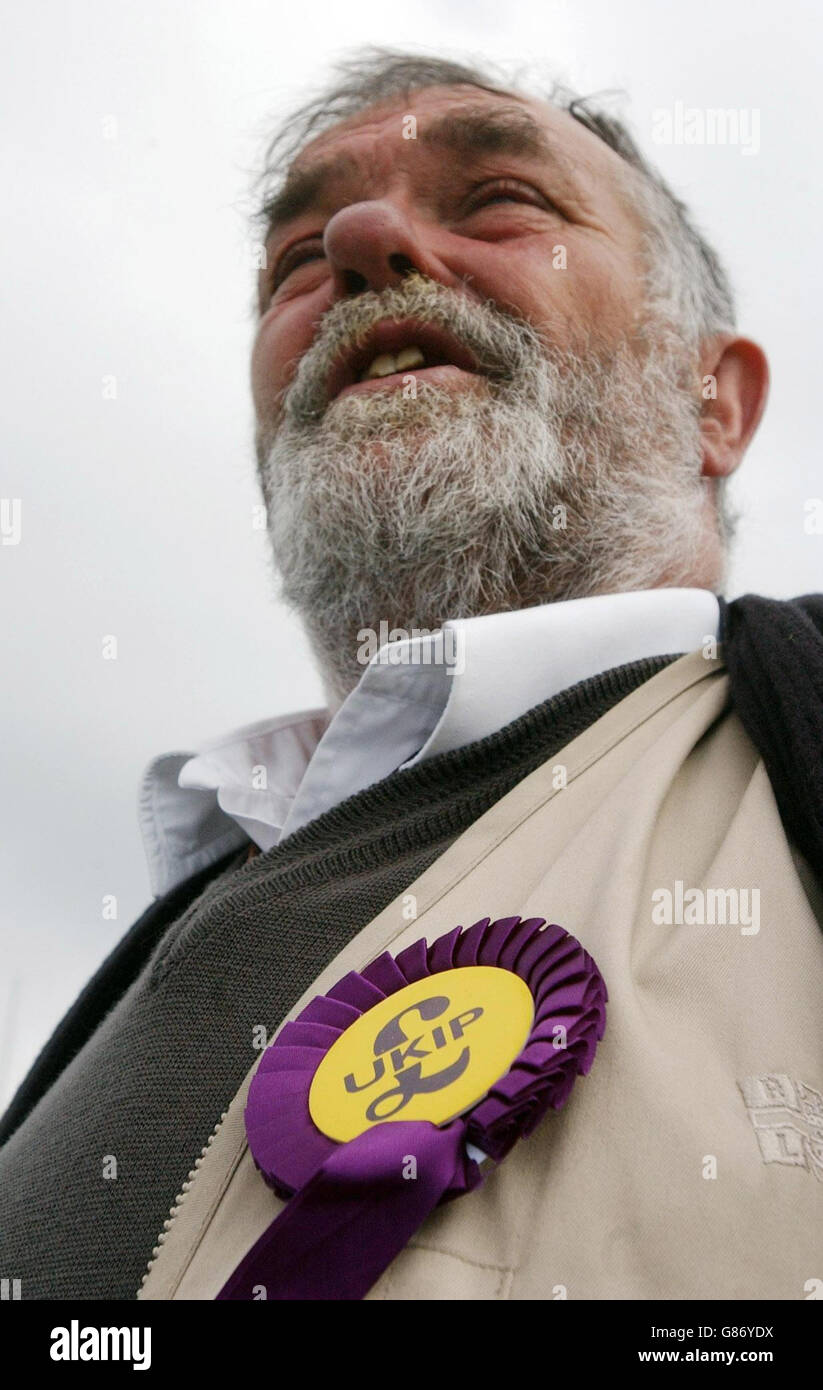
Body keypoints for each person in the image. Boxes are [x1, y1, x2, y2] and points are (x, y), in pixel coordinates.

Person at [1, 47, 821, 1302]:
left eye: (500, 200)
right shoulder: (178, 911)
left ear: (712, 400)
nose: (362, 239)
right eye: (291, 260)